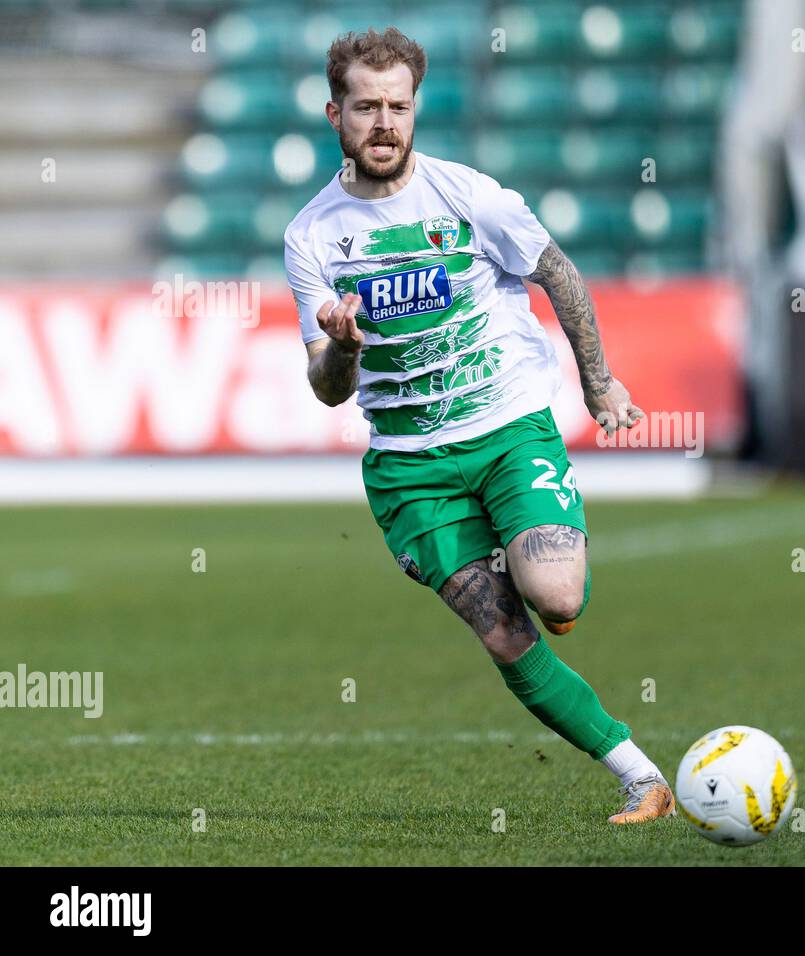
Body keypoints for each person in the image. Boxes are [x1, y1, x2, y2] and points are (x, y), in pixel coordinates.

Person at [282, 28, 675, 824]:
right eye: (366, 107)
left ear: (416, 107)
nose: (384, 122)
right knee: (505, 635)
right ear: (335, 114)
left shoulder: (472, 198)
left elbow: (557, 273)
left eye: (398, 105)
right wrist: (346, 350)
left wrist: (600, 385)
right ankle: (643, 777)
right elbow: (326, 388)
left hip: (506, 429)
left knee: (557, 599)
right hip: (409, 469)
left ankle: (544, 565)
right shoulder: (312, 237)